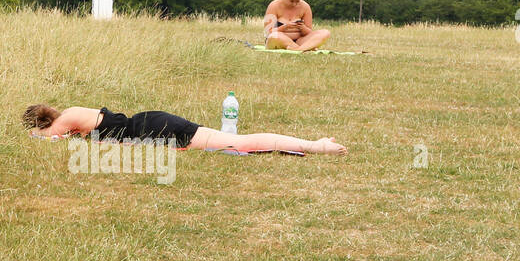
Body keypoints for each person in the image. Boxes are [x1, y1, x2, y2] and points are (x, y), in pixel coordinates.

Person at [23, 104, 347, 155]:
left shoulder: (67, 117)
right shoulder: (73, 116)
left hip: (155, 128)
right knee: (235, 143)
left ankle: (316, 146)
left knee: (238, 144)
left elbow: (45, 138)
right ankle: (314, 144)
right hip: (153, 124)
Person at [263, 0, 330, 52]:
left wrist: (302, 28)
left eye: (297, 1)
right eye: (291, 1)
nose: (294, 4)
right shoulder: (273, 6)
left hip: (299, 41)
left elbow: (309, 32)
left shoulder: (305, 7)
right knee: (274, 37)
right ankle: (304, 48)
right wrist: (284, 27)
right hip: (280, 39)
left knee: (325, 33)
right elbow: (267, 32)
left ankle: (298, 49)